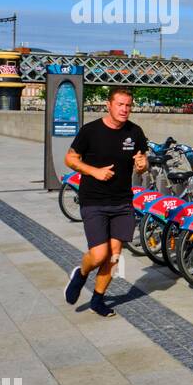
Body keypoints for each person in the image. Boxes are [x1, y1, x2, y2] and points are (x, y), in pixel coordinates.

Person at [63, 87, 147, 316]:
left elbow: (142, 160)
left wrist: (142, 164)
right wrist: (93, 171)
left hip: (122, 201)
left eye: (128, 105)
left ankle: (97, 300)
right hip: (94, 200)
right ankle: (80, 275)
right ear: (108, 105)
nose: (125, 109)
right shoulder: (90, 131)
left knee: (114, 255)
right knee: (99, 254)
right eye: (120, 104)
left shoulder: (135, 132)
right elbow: (70, 158)